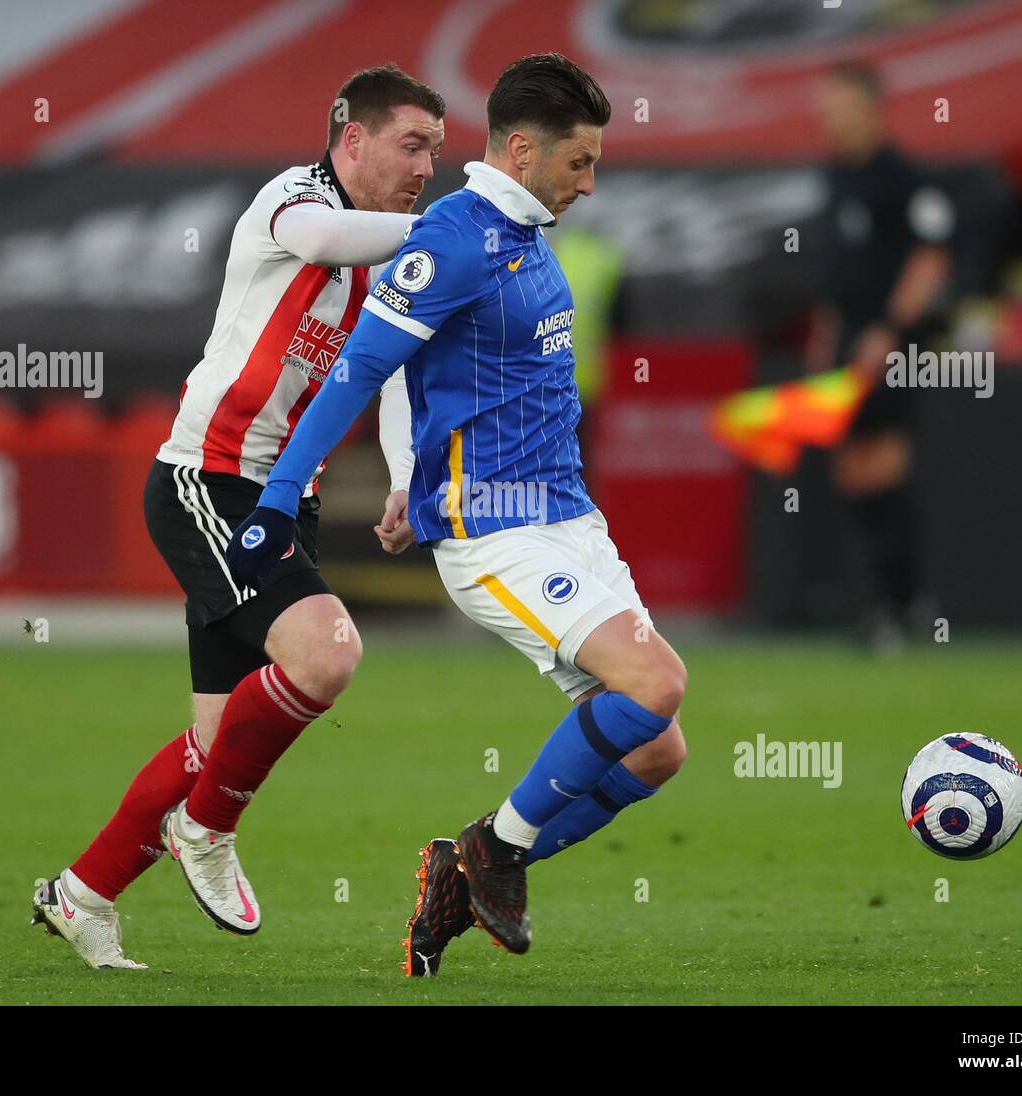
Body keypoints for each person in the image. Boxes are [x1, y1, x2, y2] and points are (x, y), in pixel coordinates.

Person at [224, 53, 688, 977]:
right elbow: (361, 367)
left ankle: (460, 867)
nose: (589, 184)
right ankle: (497, 849)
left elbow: (457, 383)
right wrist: (278, 495)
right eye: (578, 163)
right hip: (496, 537)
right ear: (521, 150)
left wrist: (409, 468)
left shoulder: (526, 229)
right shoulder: (453, 238)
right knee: (656, 684)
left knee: (655, 753)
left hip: (571, 523)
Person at [31, 64, 444, 969]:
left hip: (280, 502)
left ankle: (82, 894)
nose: (424, 166)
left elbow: (401, 378)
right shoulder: (294, 200)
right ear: (352, 137)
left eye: (435, 154)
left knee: (215, 746)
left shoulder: (395, 263)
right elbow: (328, 231)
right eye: (411, 145)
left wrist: (407, 477)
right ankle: (207, 832)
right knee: (328, 653)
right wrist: (453, 231)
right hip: (207, 482)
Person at [810, 62, 954, 648]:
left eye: (838, 106)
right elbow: (837, 269)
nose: (829, 118)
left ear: (872, 109)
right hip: (847, 337)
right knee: (849, 471)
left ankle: (907, 605)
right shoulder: (835, 177)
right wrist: (826, 337)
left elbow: (930, 258)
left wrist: (889, 330)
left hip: (891, 342)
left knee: (885, 465)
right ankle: (875, 609)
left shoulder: (903, 178)